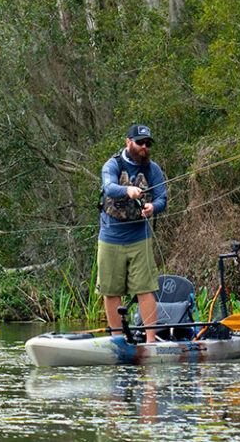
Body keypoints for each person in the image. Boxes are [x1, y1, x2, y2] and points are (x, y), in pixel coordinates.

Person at [98, 124, 168, 343]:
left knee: (145, 289)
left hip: (140, 237)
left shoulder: (153, 169)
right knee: (111, 290)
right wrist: (127, 190)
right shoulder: (112, 165)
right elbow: (109, 187)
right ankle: (117, 340)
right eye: (140, 143)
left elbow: (162, 198)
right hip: (110, 237)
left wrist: (153, 208)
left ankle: (150, 342)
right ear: (128, 142)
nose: (144, 148)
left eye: (147, 144)